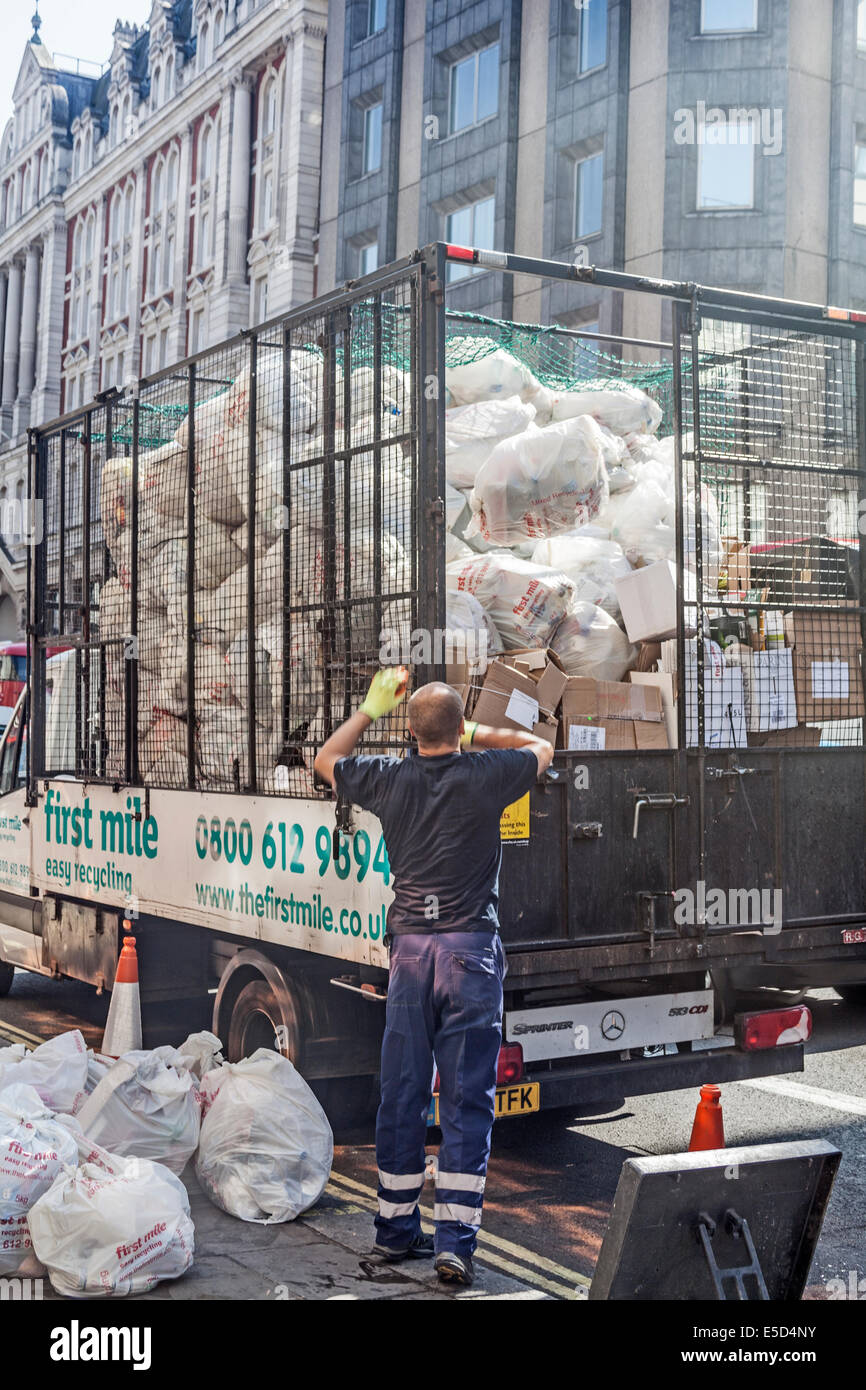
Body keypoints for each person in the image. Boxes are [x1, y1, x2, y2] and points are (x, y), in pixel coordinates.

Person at [314, 668, 554, 1287]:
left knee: (402, 1093)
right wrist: (478, 730)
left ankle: (395, 1232)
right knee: (468, 1099)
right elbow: (541, 748)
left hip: (411, 955)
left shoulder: (387, 779)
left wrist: (370, 709)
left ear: (410, 731)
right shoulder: (485, 775)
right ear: (456, 731)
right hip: (470, 954)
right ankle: (455, 1245)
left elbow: (327, 758)